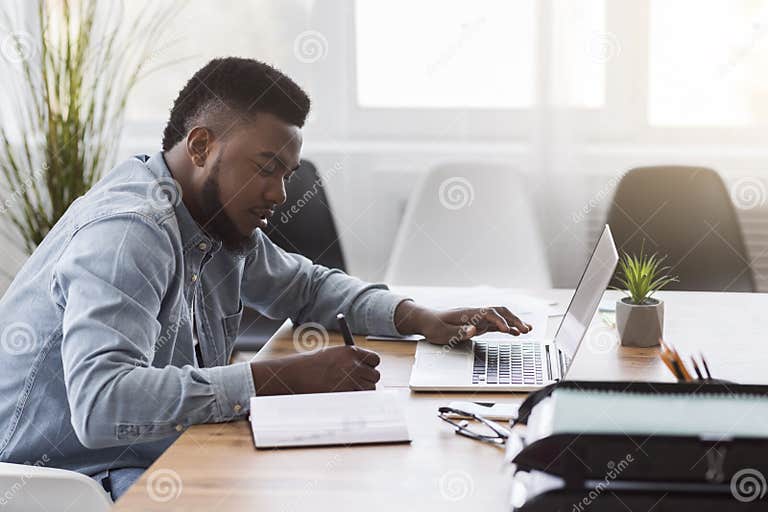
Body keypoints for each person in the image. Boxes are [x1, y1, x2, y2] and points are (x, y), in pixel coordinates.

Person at [0, 57, 531, 501]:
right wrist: (283, 379)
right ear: (203, 146)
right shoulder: (128, 235)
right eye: (265, 166)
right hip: (59, 479)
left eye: (287, 174)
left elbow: (308, 287)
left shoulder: (211, 223)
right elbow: (102, 405)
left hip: (143, 452)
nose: (279, 194)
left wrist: (422, 319)